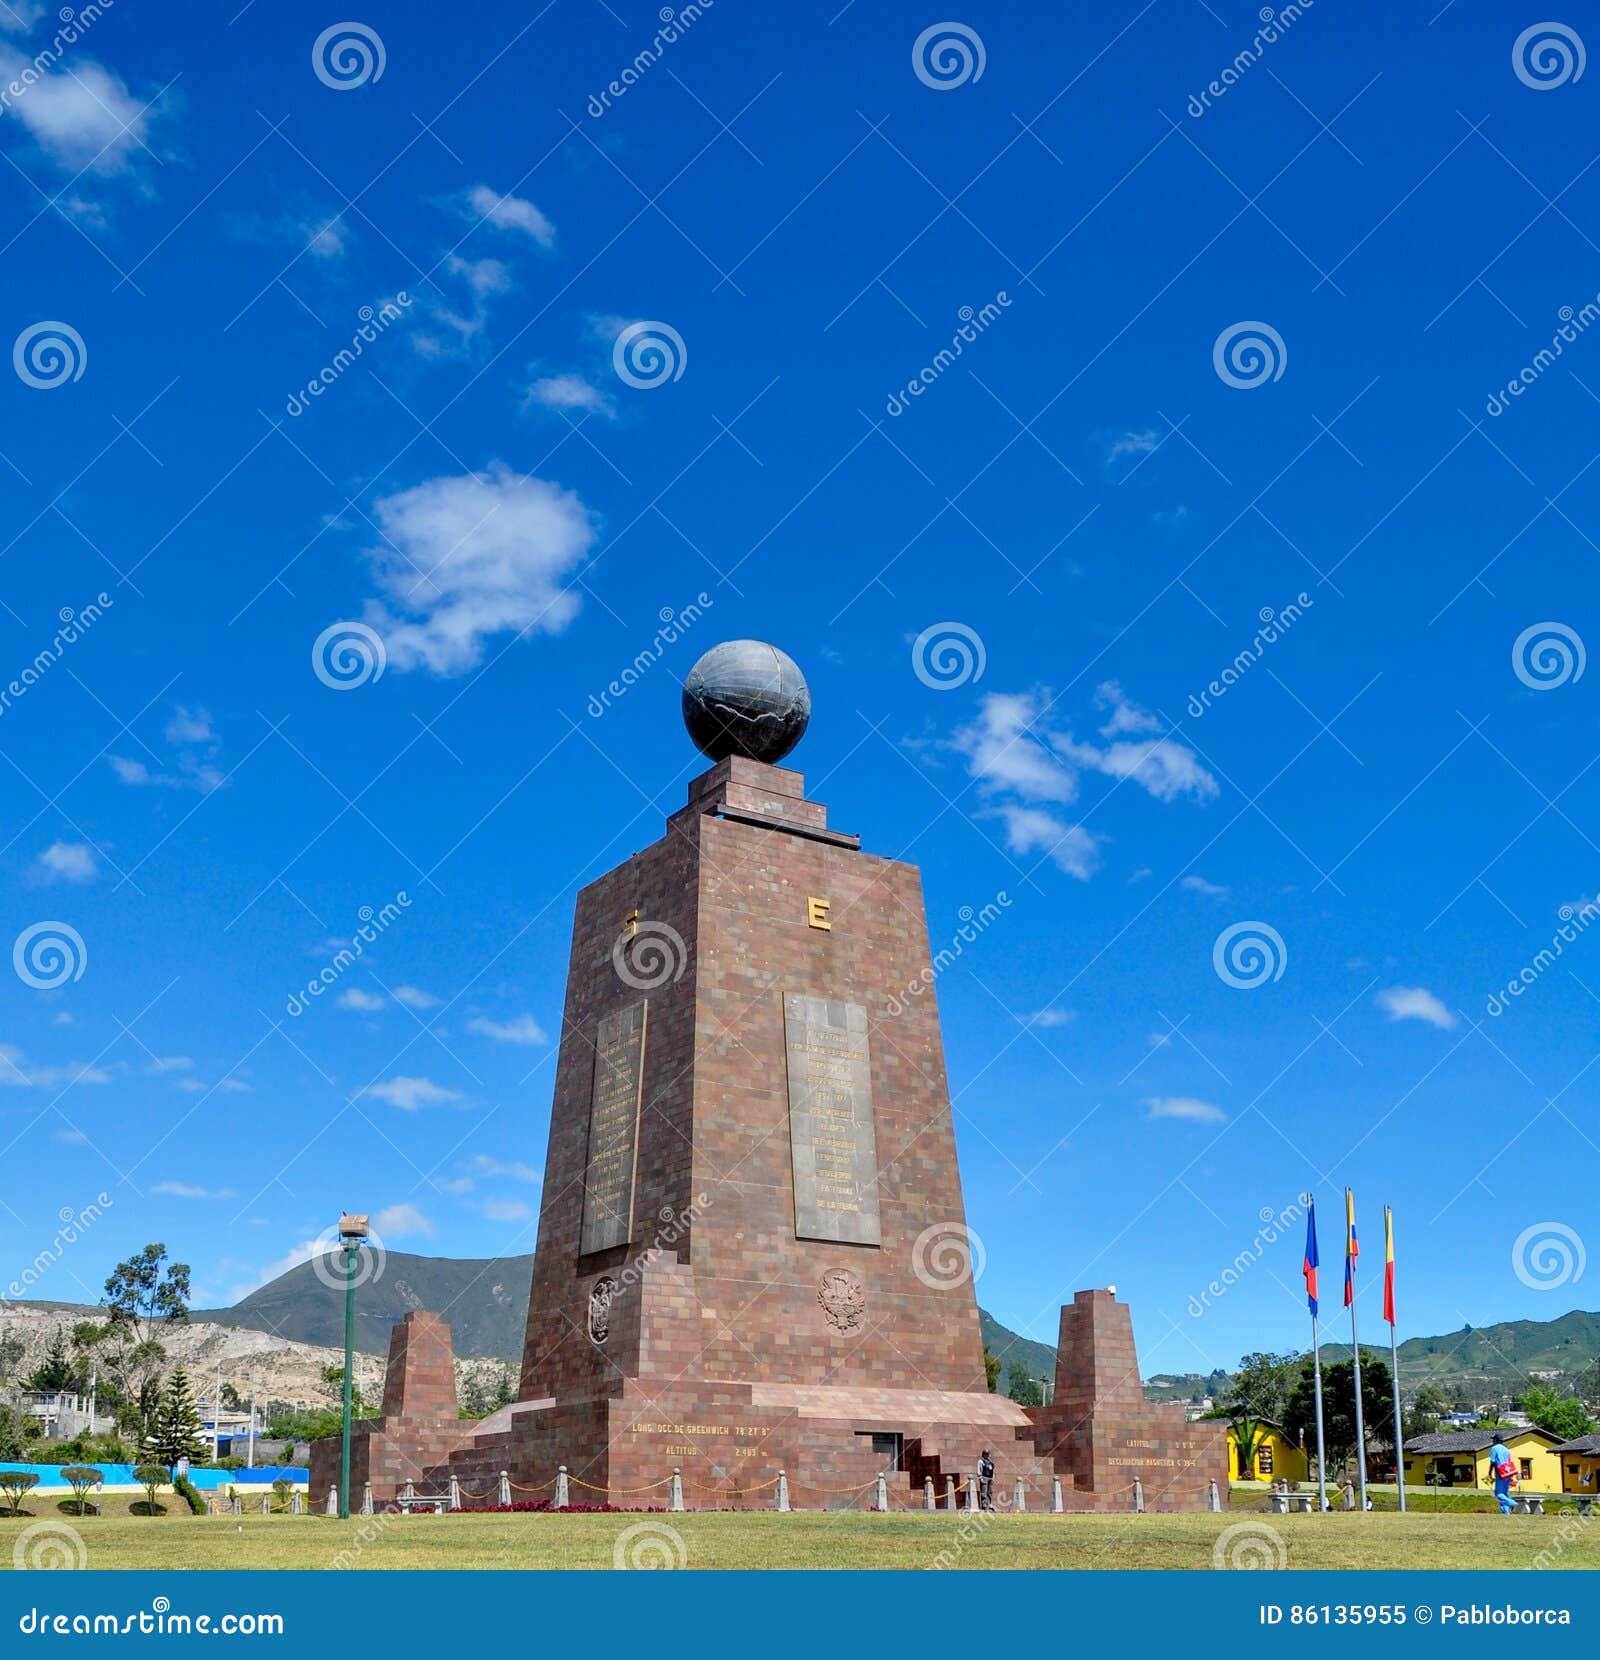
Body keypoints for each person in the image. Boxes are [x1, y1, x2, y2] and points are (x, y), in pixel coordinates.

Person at [1489, 1435, 1517, 1515]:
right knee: (1504, 1493)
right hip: (1508, 1472)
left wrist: (1489, 1473)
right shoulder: (1506, 1449)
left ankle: (1512, 1503)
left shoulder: (1494, 1448)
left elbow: (1492, 1461)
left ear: (1496, 1440)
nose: (1492, 1441)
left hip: (1500, 1472)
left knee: (1498, 1494)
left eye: (1493, 1439)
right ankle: (1505, 1512)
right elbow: (1510, 1461)